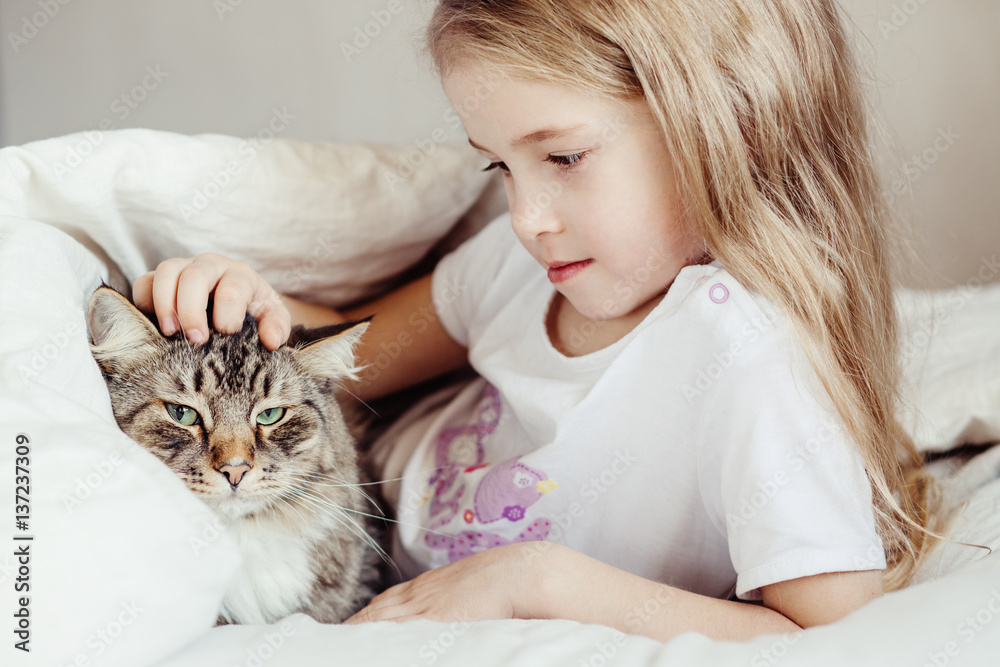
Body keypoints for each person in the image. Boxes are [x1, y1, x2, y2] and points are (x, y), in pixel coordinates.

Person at [133, 0, 948, 642]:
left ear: (727, 124)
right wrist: (240, 296)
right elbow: (352, 348)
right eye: (500, 164)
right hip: (358, 531)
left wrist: (535, 581)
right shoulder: (520, 266)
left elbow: (833, 634)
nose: (526, 217)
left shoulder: (751, 357)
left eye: (562, 157)